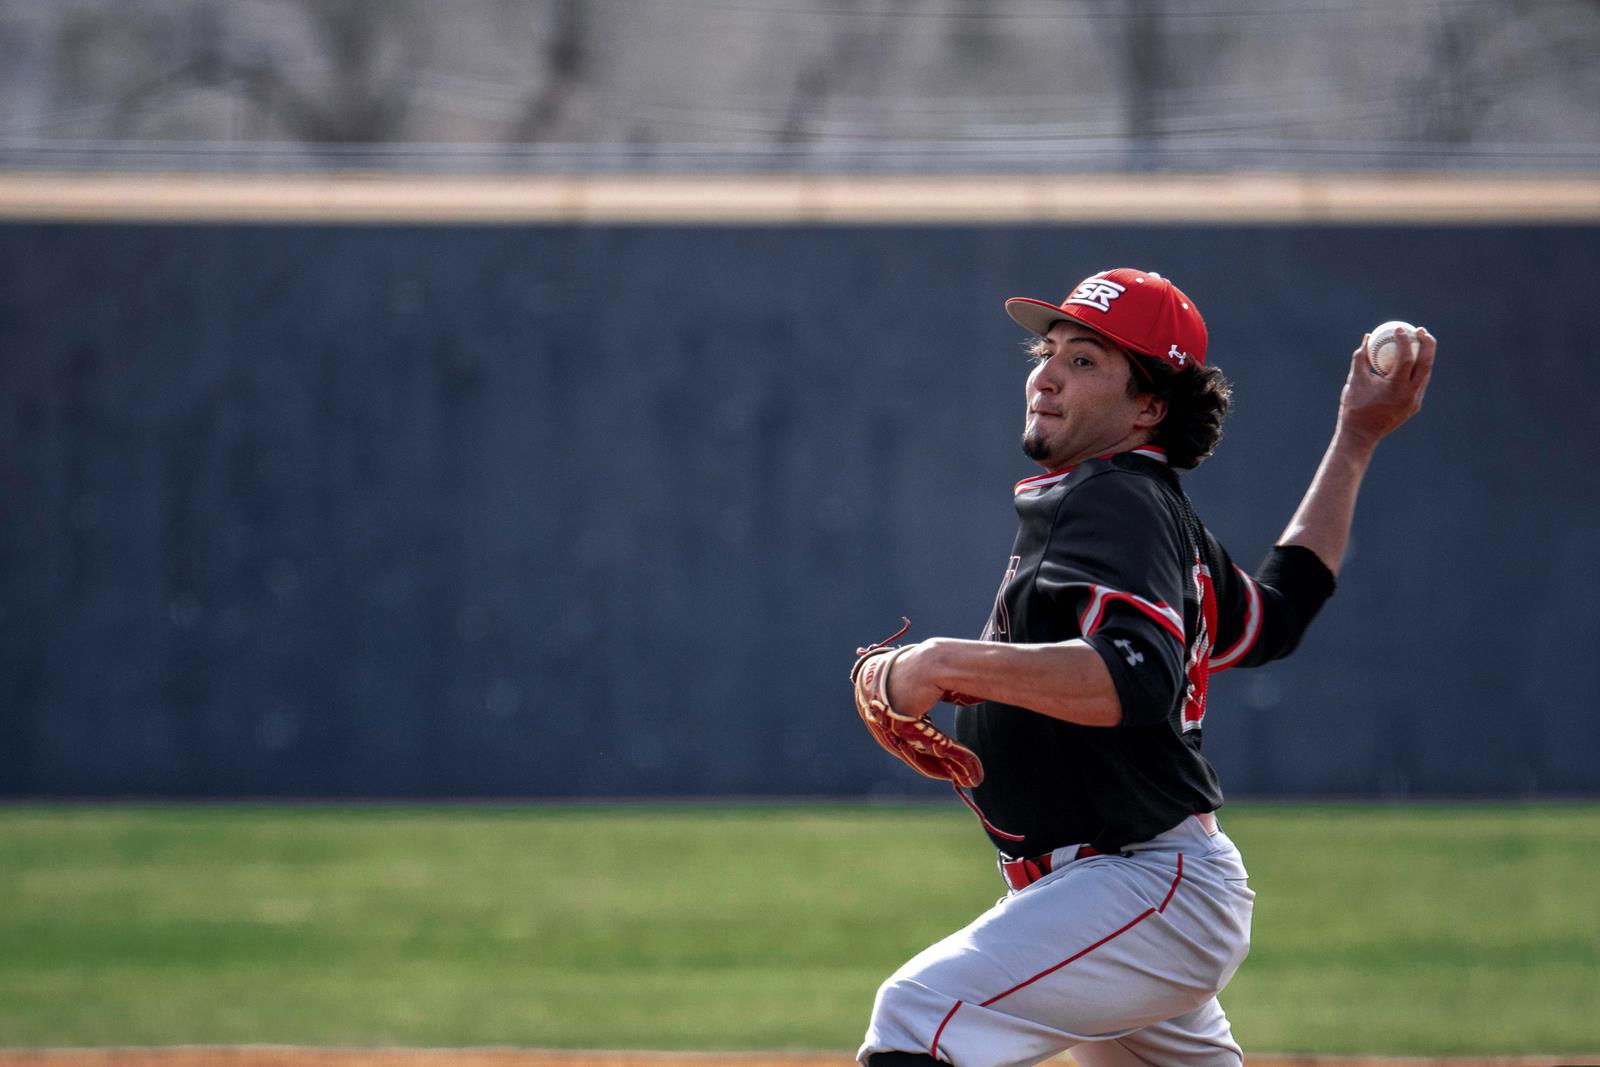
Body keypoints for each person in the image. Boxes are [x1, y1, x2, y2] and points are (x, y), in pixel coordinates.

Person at [856, 268, 1435, 1067]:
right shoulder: (1156, 513)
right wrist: (1355, 437)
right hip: (1117, 895)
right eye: (1048, 350)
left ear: (1150, 406)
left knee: (917, 1018)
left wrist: (944, 660)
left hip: (1140, 885)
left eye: (1086, 360)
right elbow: (1276, 612)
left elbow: (1133, 676)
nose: (1047, 374)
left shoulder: (1114, 499)